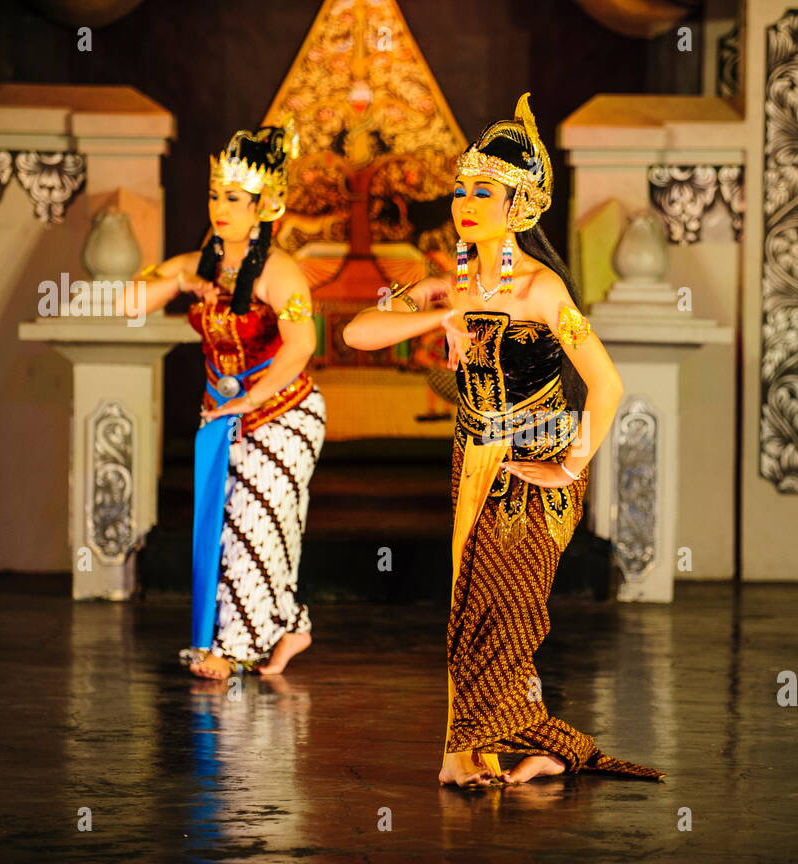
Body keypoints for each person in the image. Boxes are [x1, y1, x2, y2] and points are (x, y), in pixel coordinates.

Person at [344, 93, 664, 785]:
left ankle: (544, 745)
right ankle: (477, 754)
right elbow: (356, 332)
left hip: (539, 464)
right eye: (461, 189)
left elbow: (606, 385)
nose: (466, 201)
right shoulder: (442, 285)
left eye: (484, 190)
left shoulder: (542, 291)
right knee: (471, 611)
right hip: (476, 458)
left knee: (511, 614)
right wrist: (438, 314)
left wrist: (572, 463)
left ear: (519, 206)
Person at [131, 124, 325, 680]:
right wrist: (176, 282)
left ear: (265, 207)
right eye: (216, 194)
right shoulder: (200, 263)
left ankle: (234, 647)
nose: (221, 207)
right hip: (225, 412)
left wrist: (250, 402)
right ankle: (291, 628)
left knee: (254, 525)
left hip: (285, 413)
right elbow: (127, 302)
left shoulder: (281, 272)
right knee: (234, 526)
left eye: (234, 198)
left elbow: (302, 345)